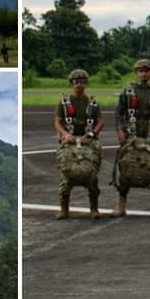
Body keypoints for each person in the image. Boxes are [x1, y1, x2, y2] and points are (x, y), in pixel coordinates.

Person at [115, 59, 150, 217]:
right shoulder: (128, 90)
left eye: (147, 70)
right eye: (141, 70)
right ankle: (121, 203)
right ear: (136, 72)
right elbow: (119, 112)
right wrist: (119, 130)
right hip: (132, 132)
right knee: (125, 168)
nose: (144, 73)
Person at [54, 68, 104, 219]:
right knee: (65, 171)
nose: (79, 85)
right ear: (71, 83)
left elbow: (100, 121)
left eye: (82, 82)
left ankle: (94, 208)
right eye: (76, 82)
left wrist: (91, 134)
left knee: (92, 173)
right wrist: (65, 134)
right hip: (69, 139)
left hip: (87, 139)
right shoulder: (64, 102)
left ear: (86, 84)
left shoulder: (92, 103)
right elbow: (57, 122)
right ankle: (64, 208)